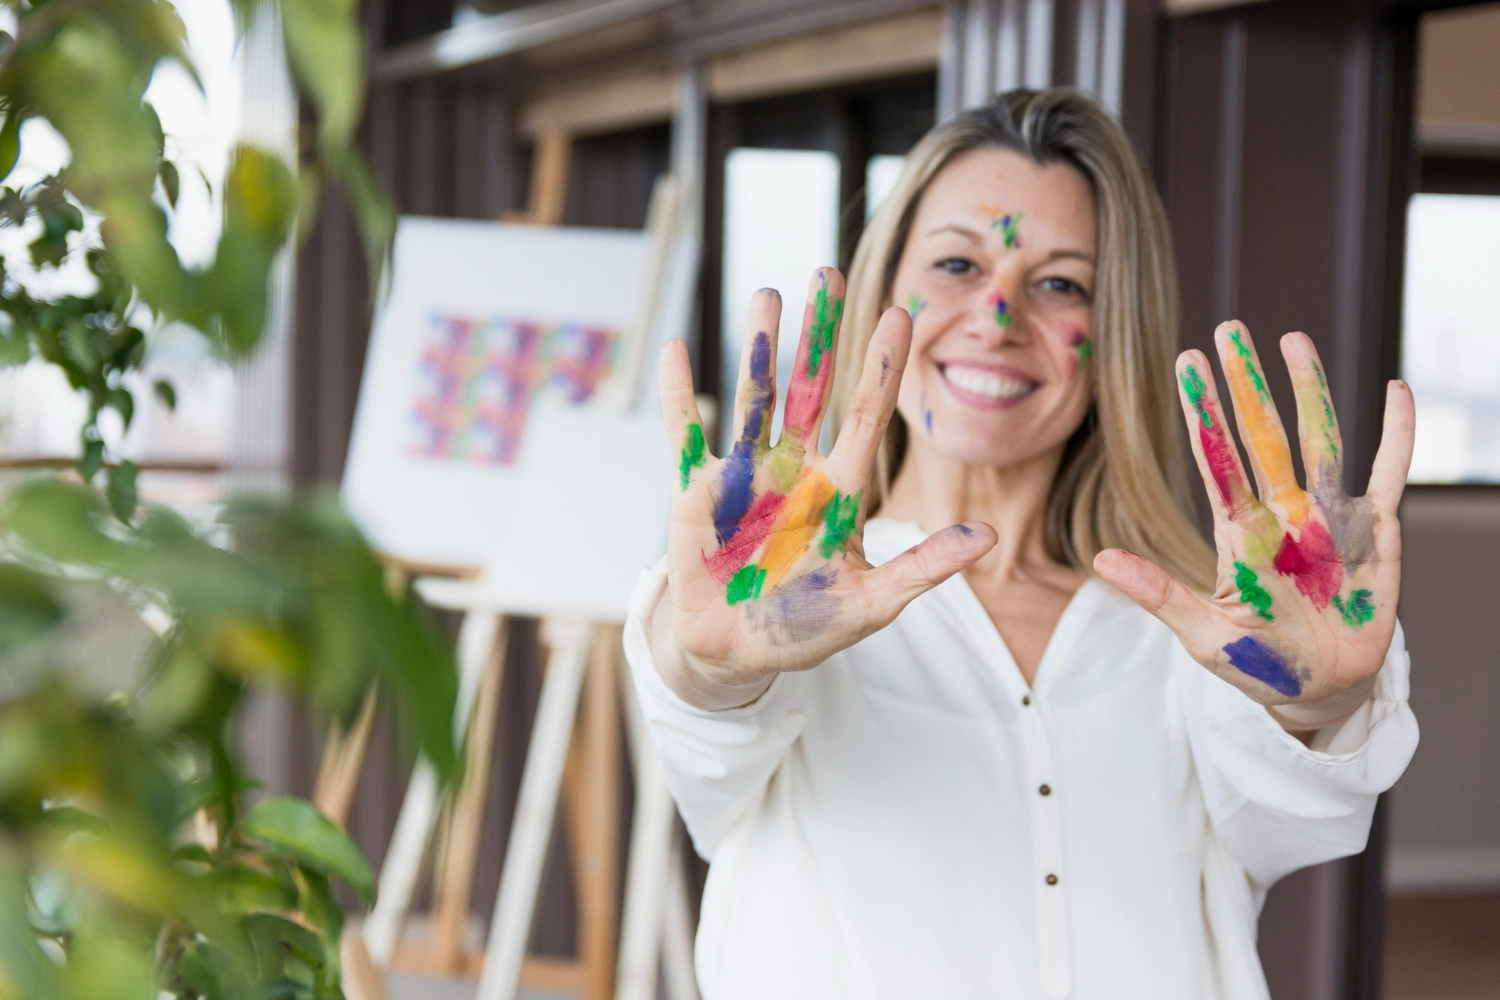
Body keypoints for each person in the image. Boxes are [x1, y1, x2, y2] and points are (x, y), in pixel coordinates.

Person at [624, 88, 1418, 1000]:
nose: (998, 319)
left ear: (1114, 328)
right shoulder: (777, 600)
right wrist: (715, 670)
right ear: (886, 292)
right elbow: (701, 744)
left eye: (1060, 284)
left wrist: (1316, 704)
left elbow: (1295, 812)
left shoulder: (1199, 629)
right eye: (958, 263)